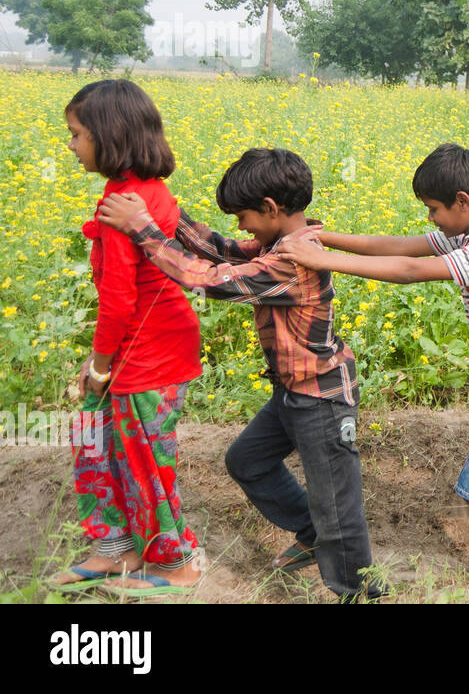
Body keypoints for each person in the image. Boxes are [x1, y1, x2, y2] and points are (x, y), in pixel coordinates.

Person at [97, 148, 385, 602]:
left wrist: (145, 231)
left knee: (338, 510)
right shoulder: (280, 240)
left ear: (271, 209)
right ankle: (311, 534)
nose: (240, 226)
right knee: (247, 462)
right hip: (292, 393)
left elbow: (210, 279)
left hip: (322, 399)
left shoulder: (294, 259)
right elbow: (223, 250)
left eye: (244, 215)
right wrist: (168, 211)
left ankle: (361, 593)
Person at [279, 144, 469, 586]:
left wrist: (323, 261)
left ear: (462, 201)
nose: (430, 218)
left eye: (433, 209)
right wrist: (325, 238)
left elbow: (411, 268)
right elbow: (395, 246)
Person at [51, 80, 204, 596]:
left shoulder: (123, 205)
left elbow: (118, 301)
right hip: (143, 344)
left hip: (150, 351)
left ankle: (175, 563)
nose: (70, 145)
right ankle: (115, 547)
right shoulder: (138, 194)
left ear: (107, 134)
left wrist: (97, 367)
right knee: (95, 439)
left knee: (144, 458)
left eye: (76, 134)